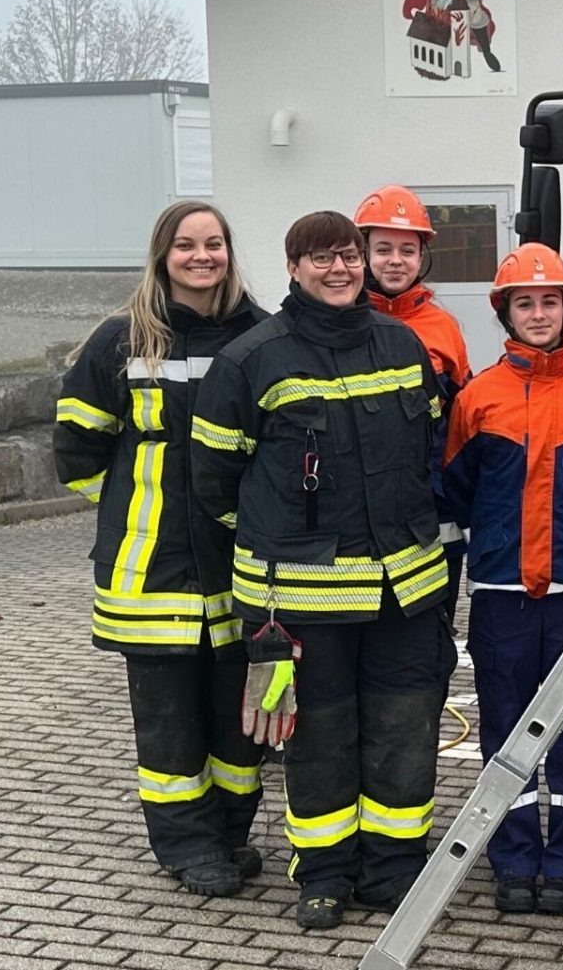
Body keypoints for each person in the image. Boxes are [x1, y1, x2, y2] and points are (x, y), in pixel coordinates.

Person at [192, 211, 454, 930]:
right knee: (319, 739)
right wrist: (277, 550)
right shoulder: (251, 360)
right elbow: (214, 483)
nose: (337, 270)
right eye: (320, 259)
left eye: (347, 256)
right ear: (294, 268)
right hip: (302, 601)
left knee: (404, 734)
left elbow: (427, 450)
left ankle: (395, 869)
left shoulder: (404, 346)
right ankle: (325, 875)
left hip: (404, 592)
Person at [54, 201, 268, 897]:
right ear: (162, 255)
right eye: (186, 245)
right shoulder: (121, 340)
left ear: (229, 254)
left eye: (213, 244)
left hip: (238, 564)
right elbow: (77, 452)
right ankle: (188, 847)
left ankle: (231, 835)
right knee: (171, 728)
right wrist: (127, 509)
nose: (201, 256)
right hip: (150, 570)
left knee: (239, 724)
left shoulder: (259, 337)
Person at [442, 245, 563, 915]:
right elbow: (456, 490)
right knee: (505, 731)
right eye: (526, 302)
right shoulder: (477, 399)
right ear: (506, 313)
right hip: (501, 595)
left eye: (550, 301)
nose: (540, 313)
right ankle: (513, 859)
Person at [354, 185, 472, 620]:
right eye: (383, 249)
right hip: (358, 521)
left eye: (407, 249)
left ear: (423, 256)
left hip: (433, 518)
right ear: (363, 252)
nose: (395, 260)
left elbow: (459, 427)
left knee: (431, 641)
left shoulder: (444, 328)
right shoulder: (340, 322)